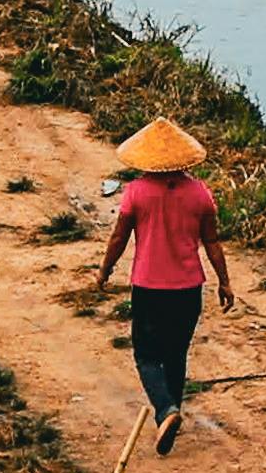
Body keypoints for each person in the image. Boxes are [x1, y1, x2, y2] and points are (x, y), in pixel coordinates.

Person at [100, 118, 234, 451]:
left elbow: (119, 237)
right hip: (188, 288)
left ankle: (166, 409)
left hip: (149, 287)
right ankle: (170, 414)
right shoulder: (199, 194)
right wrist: (224, 283)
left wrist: (105, 270)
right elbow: (213, 242)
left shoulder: (136, 193)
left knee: (146, 355)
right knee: (176, 353)